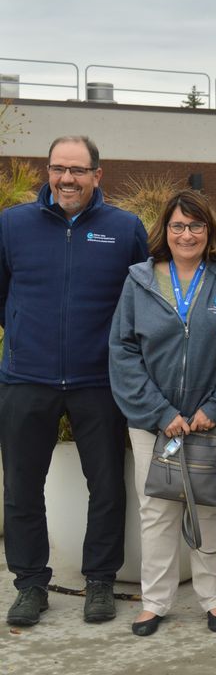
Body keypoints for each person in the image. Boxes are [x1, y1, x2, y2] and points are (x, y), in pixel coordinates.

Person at [0, 136, 148, 627]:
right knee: (22, 488)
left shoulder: (124, 228)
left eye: (78, 170)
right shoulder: (12, 225)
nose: (67, 179)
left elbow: (138, 300)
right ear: (48, 171)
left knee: (105, 486)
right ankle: (30, 584)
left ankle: (100, 581)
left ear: (96, 175)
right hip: (26, 378)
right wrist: (24, 333)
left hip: (98, 381)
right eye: (58, 168)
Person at [109, 189, 216, 637]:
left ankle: (215, 599)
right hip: (155, 422)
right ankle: (155, 602)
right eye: (178, 226)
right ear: (164, 231)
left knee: (211, 507)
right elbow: (123, 350)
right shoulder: (139, 280)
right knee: (157, 511)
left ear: (210, 230)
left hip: (215, 422)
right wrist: (159, 411)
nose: (187, 235)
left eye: (196, 226)